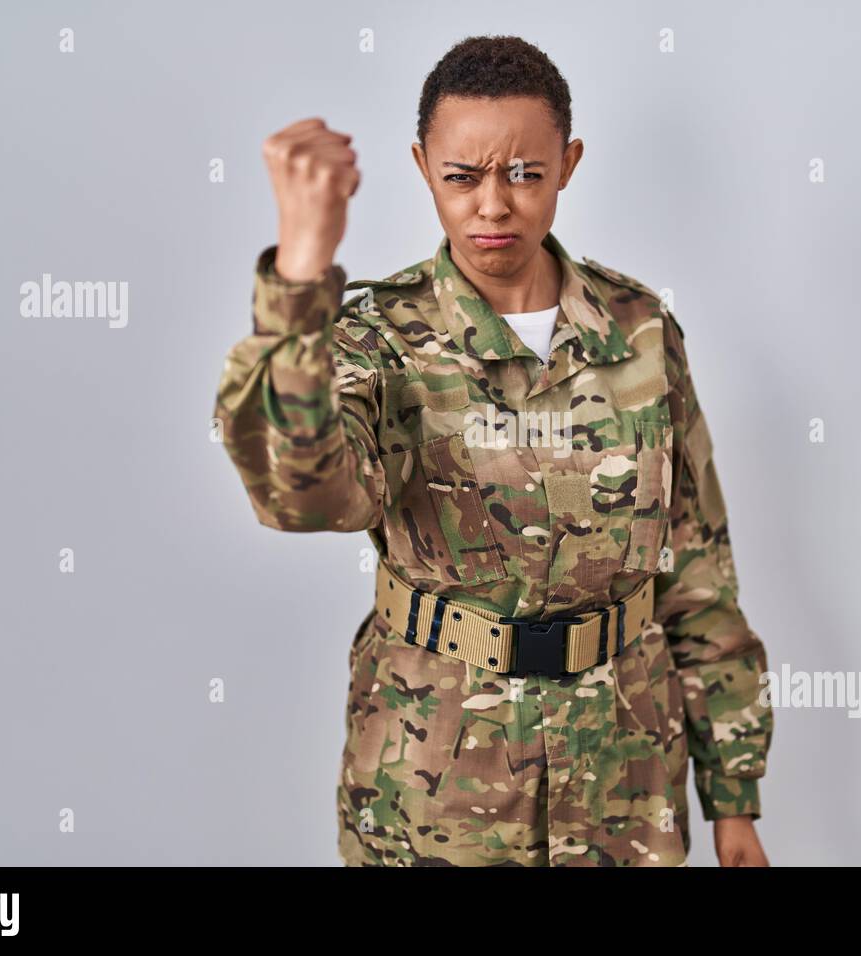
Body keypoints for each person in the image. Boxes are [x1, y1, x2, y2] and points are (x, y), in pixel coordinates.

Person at [213, 35, 773, 867]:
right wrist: (302, 266)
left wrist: (734, 799)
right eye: (462, 176)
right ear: (422, 166)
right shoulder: (379, 340)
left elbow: (696, 565)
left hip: (627, 780)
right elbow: (301, 497)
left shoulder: (640, 329)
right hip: (439, 781)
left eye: (524, 173)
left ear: (568, 163)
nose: (493, 207)